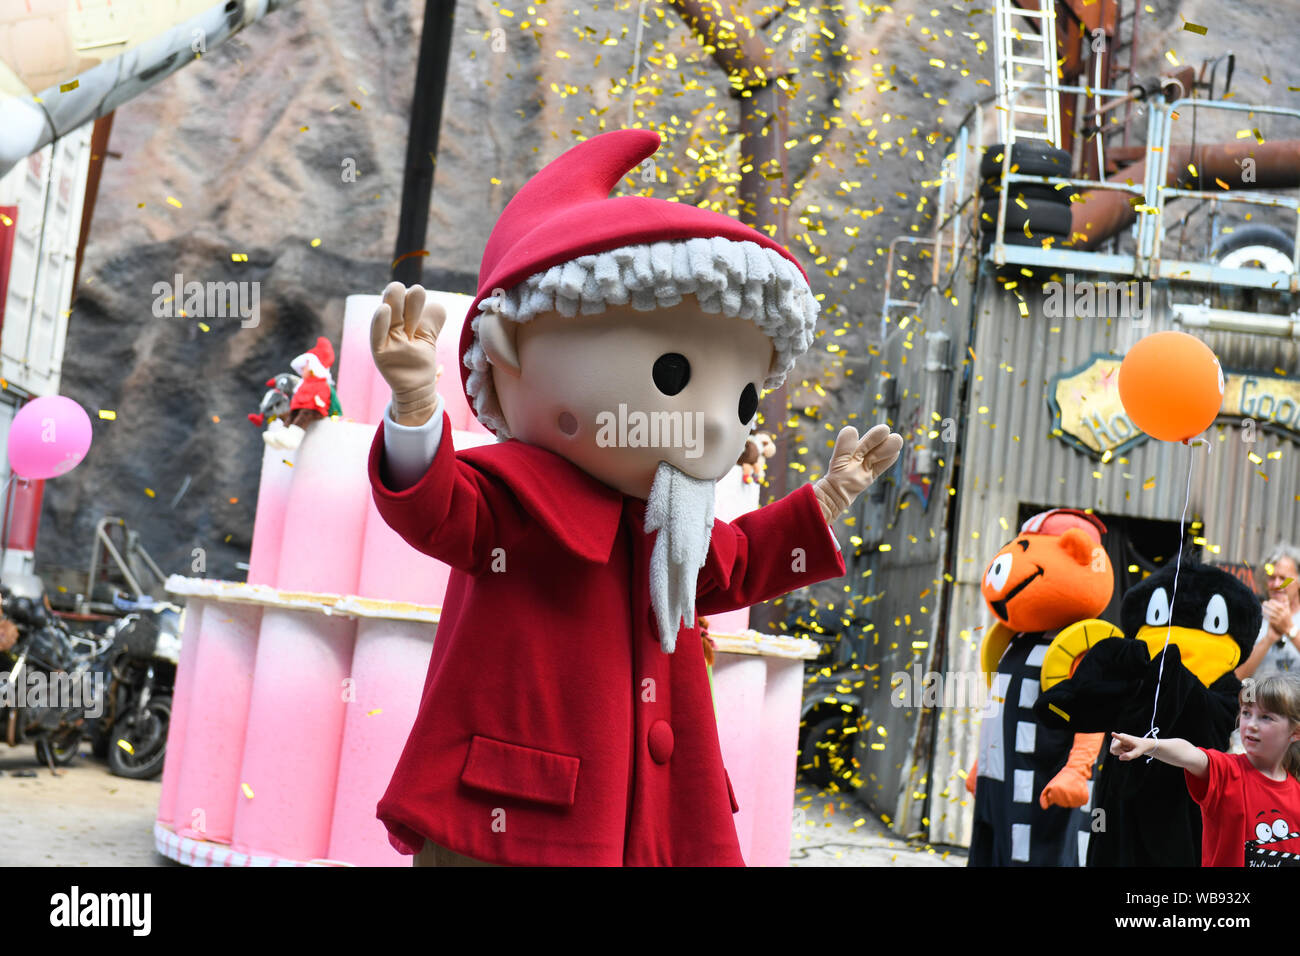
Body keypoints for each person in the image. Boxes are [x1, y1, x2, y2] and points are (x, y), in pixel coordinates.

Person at [1110, 674, 1300, 867]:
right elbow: (1188, 753)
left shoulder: (1297, 790)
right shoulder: (1226, 771)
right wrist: (1149, 744)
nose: (1251, 725)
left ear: (1295, 732)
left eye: (1266, 717)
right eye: (1246, 713)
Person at [1236, 544, 1300, 681]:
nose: (1277, 584)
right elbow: (1236, 678)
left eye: (1283, 578)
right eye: (1271, 578)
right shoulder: (1252, 618)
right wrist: (1268, 640)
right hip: (1257, 701)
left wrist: (1290, 630)